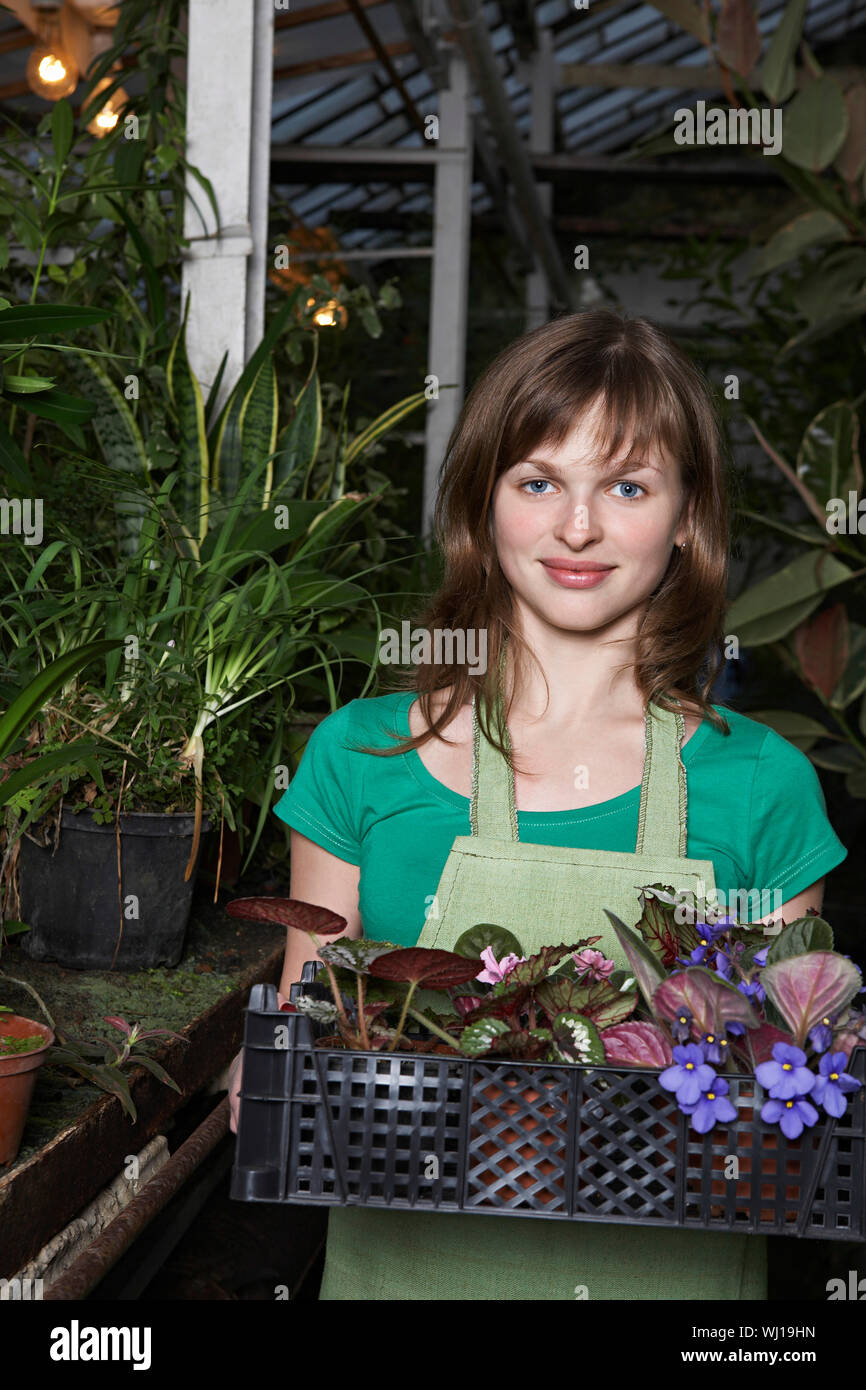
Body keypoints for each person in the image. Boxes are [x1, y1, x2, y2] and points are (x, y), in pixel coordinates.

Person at [228, 307, 848, 1300]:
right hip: (404, 1274)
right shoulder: (361, 756)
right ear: (483, 505)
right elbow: (306, 1047)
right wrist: (260, 1078)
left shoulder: (760, 781)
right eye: (537, 481)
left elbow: (787, 1094)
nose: (577, 527)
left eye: (627, 486)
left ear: (686, 515)